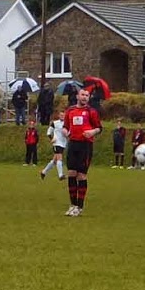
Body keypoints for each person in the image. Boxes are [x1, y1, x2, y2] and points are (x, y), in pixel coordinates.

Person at [62, 87, 103, 216]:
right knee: (71, 173)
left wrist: (92, 131)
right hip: (73, 144)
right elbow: (65, 126)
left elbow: (99, 128)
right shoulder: (70, 110)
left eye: (87, 95)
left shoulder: (92, 112)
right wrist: (64, 132)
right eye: (83, 95)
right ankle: (72, 205)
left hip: (85, 145)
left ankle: (80, 206)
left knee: (81, 175)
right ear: (77, 96)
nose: (85, 97)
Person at [39, 111, 67, 180]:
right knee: (59, 158)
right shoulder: (54, 123)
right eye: (61, 115)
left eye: (63, 115)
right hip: (57, 143)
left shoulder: (67, 123)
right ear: (58, 116)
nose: (62, 116)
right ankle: (60, 175)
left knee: (54, 161)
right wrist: (52, 139)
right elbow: (48, 132)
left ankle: (43, 172)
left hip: (63, 143)